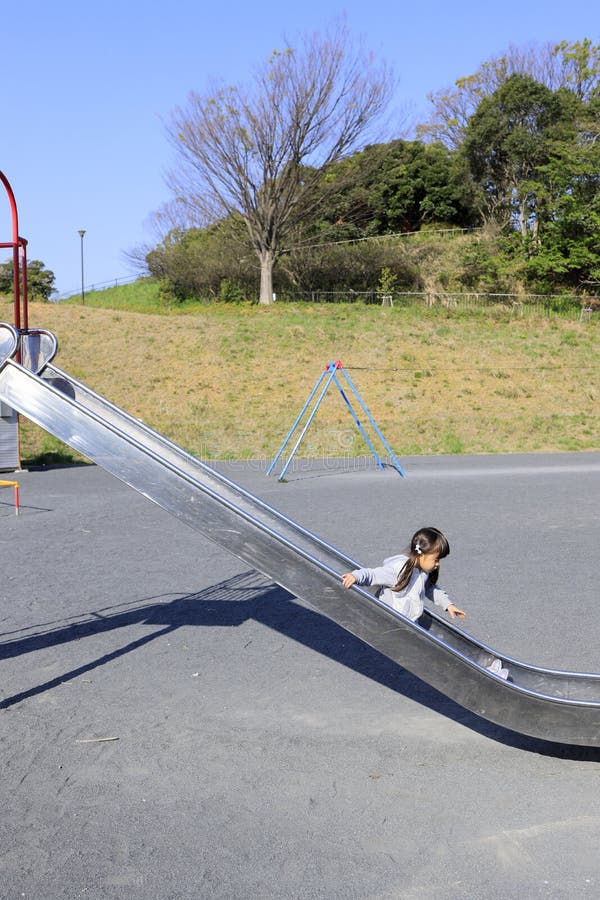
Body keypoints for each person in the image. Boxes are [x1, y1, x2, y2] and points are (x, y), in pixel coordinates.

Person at [341, 526, 466, 622]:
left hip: (409, 623)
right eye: (436, 559)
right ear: (421, 555)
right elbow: (373, 574)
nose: (437, 564)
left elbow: (430, 589)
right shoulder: (399, 568)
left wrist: (448, 604)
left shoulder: (423, 572)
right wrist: (356, 576)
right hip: (390, 621)